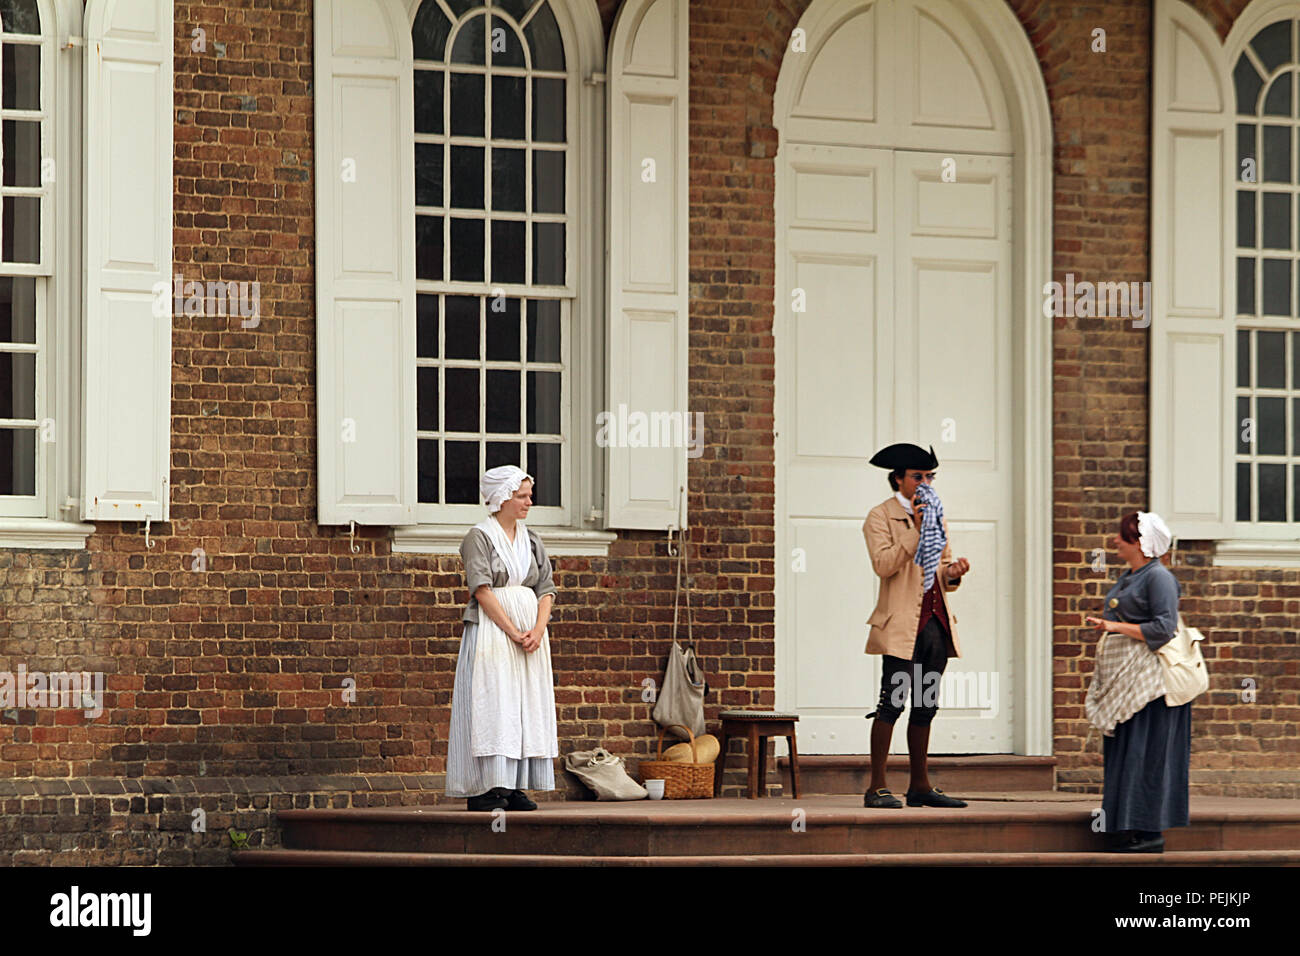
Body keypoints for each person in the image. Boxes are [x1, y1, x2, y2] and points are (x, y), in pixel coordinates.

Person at [862, 443, 971, 809]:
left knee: (926, 705)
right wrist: (916, 531)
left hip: (935, 626)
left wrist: (953, 574)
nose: (925, 483)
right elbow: (884, 564)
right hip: (901, 628)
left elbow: (943, 567)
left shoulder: (938, 515)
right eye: (918, 476)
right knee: (892, 702)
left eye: (930, 477)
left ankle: (919, 785)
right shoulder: (880, 517)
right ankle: (876, 786)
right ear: (899, 480)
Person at [445, 465, 559, 811]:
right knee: (492, 703)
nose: (529, 501)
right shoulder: (478, 537)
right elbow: (481, 589)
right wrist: (512, 631)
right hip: (494, 632)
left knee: (523, 706)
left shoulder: (531, 540)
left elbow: (546, 588)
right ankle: (484, 786)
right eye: (522, 496)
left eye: (528, 495)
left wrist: (537, 630)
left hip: (529, 636)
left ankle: (513, 785)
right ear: (502, 498)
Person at [1085, 510, 1188, 853]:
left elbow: (1164, 628)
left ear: (1140, 544)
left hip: (1151, 685)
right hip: (1128, 680)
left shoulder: (1158, 578)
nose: (1115, 540)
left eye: (1123, 536)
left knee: (1146, 753)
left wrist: (1114, 627)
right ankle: (1124, 825)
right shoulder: (1132, 576)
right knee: (1126, 752)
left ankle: (1149, 831)